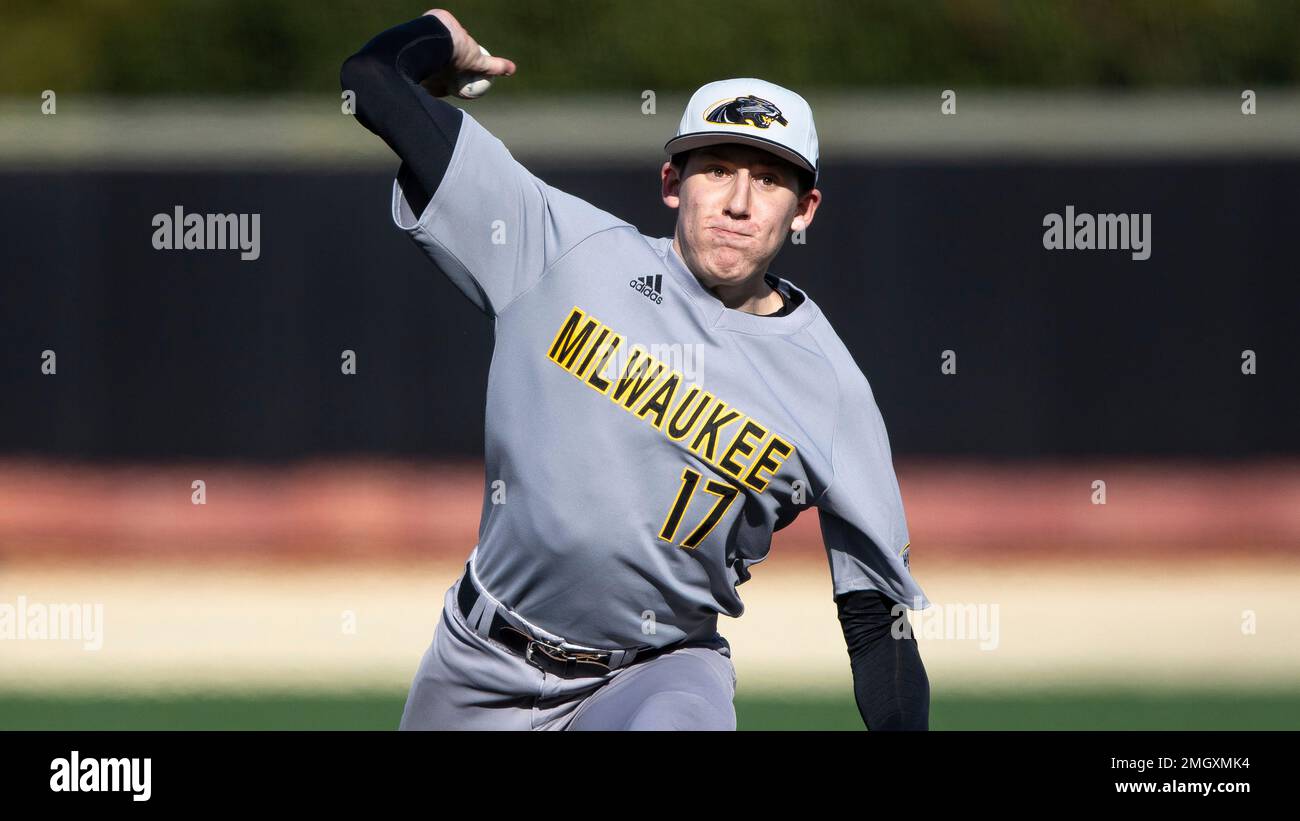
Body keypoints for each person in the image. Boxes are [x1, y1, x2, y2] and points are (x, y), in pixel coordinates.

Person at [340, 8, 931, 730]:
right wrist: (440, 35)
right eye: (716, 168)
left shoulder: (831, 389)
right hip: (476, 665)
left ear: (804, 209)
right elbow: (371, 82)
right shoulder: (560, 247)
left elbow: (877, 622)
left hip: (657, 674)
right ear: (671, 183)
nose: (740, 202)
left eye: (770, 180)